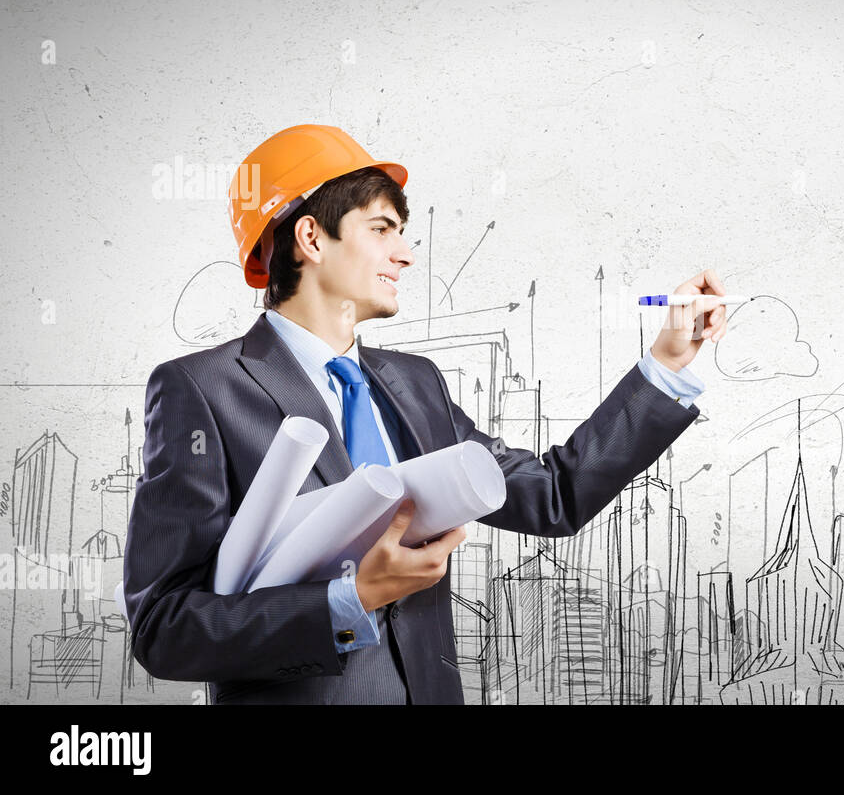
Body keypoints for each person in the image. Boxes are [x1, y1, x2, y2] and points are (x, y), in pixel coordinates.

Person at [122, 124, 730, 704]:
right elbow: (163, 628)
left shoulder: (415, 386)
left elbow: (554, 494)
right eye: (382, 229)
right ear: (311, 238)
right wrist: (347, 600)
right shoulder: (200, 390)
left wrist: (667, 362)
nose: (405, 255)